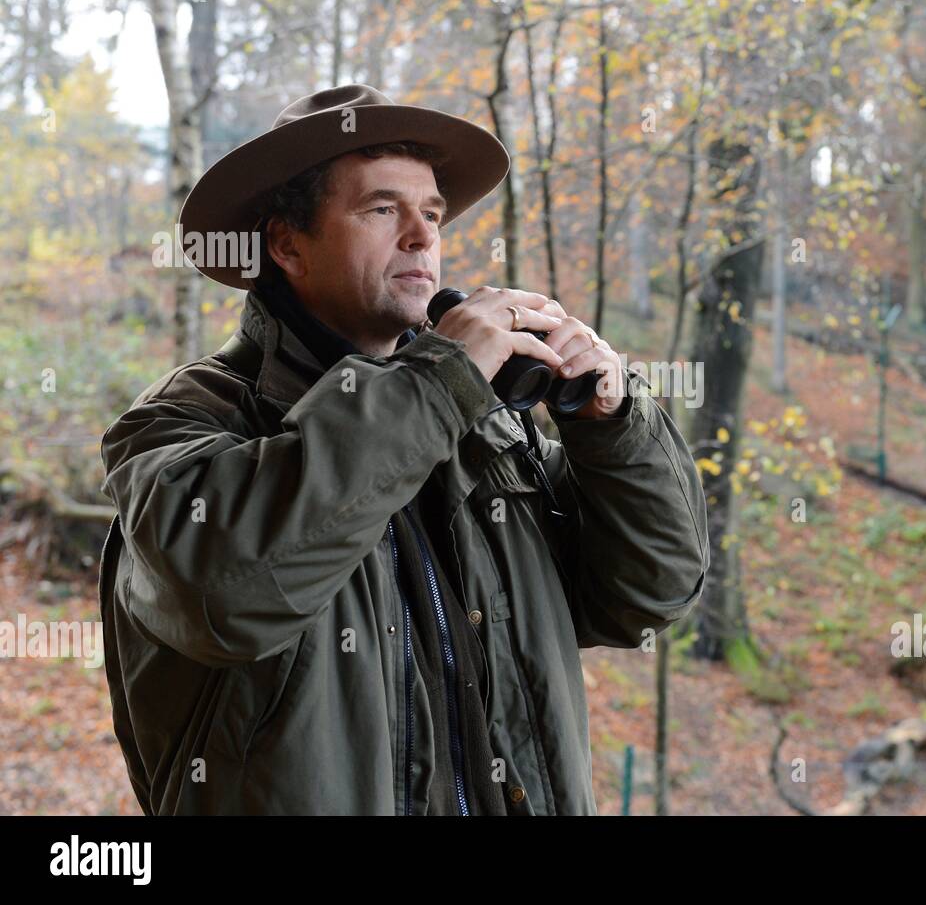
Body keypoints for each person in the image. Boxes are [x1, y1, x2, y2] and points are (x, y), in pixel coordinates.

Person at [97, 84, 709, 815]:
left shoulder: (487, 432)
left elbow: (650, 594)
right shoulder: (183, 424)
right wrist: (440, 381)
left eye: (431, 214)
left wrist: (613, 422)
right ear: (286, 242)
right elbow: (227, 593)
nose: (421, 237)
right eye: (383, 209)